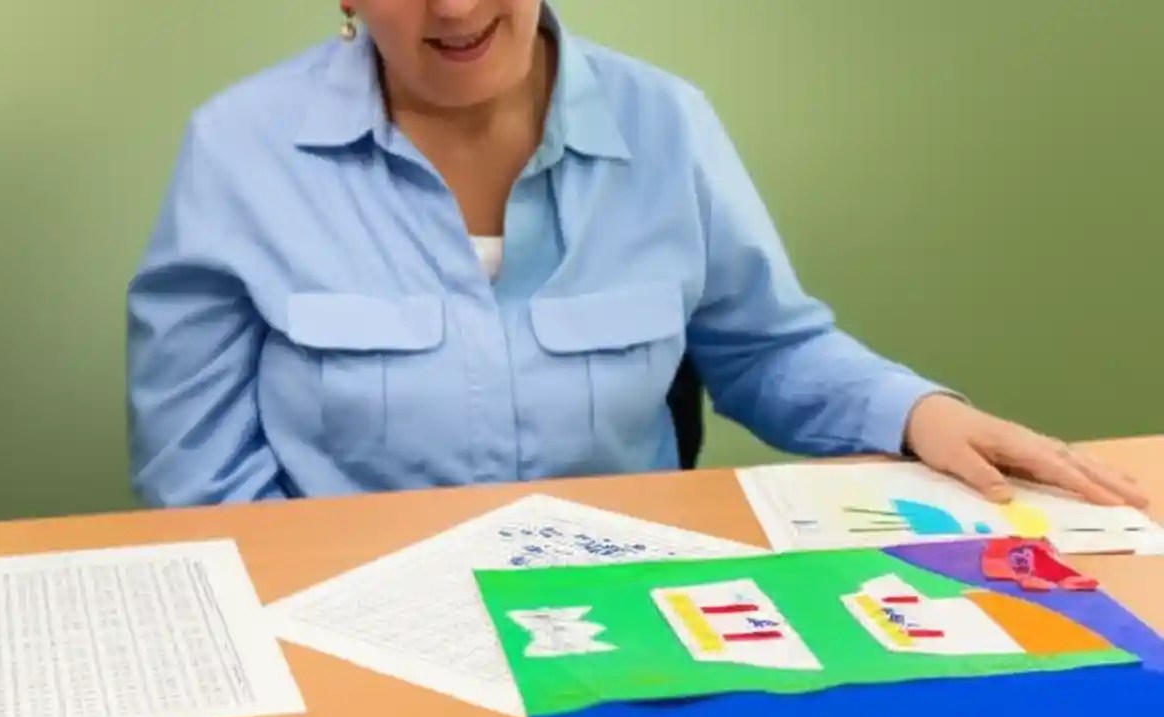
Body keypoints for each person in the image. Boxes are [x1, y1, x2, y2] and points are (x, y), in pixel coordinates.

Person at [125, 0, 1146, 510]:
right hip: (345, 627)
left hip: (622, 623)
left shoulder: (667, 124)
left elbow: (764, 350)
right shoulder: (238, 149)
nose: (452, 7)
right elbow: (198, 478)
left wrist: (920, 412)